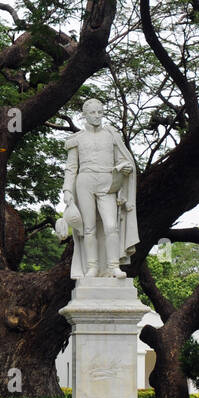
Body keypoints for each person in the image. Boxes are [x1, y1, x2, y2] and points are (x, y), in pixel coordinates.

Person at [56, 98, 139, 278]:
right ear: (84, 115)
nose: (97, 116)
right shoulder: (76, 139)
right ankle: (92, 267)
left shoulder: (112, 136)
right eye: (92, 112)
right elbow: (71, 168)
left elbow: (123, 160)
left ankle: (113, 266)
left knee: (111, 226)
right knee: (88, 228)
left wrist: (126, 167)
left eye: (100, 112)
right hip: (84, 181)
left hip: (107, 182)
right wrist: (67, 191)